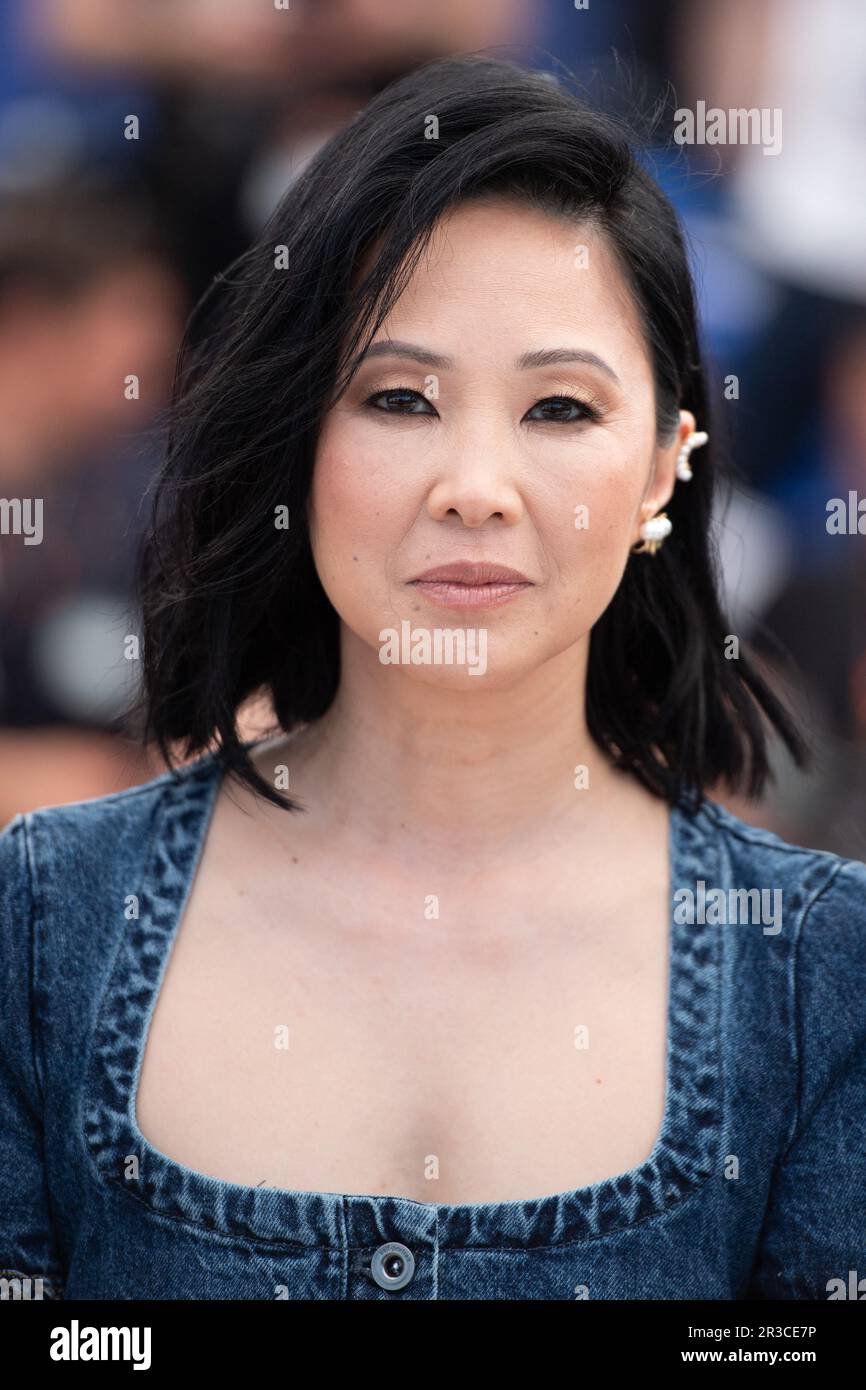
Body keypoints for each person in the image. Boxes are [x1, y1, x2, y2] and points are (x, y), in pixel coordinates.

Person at [1, 55, 864, 1302]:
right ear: (299, 439)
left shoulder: (817, 969)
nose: (473, 484)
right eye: (399, 398)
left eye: (559, 409)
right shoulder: (43, 922)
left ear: (664, 467)